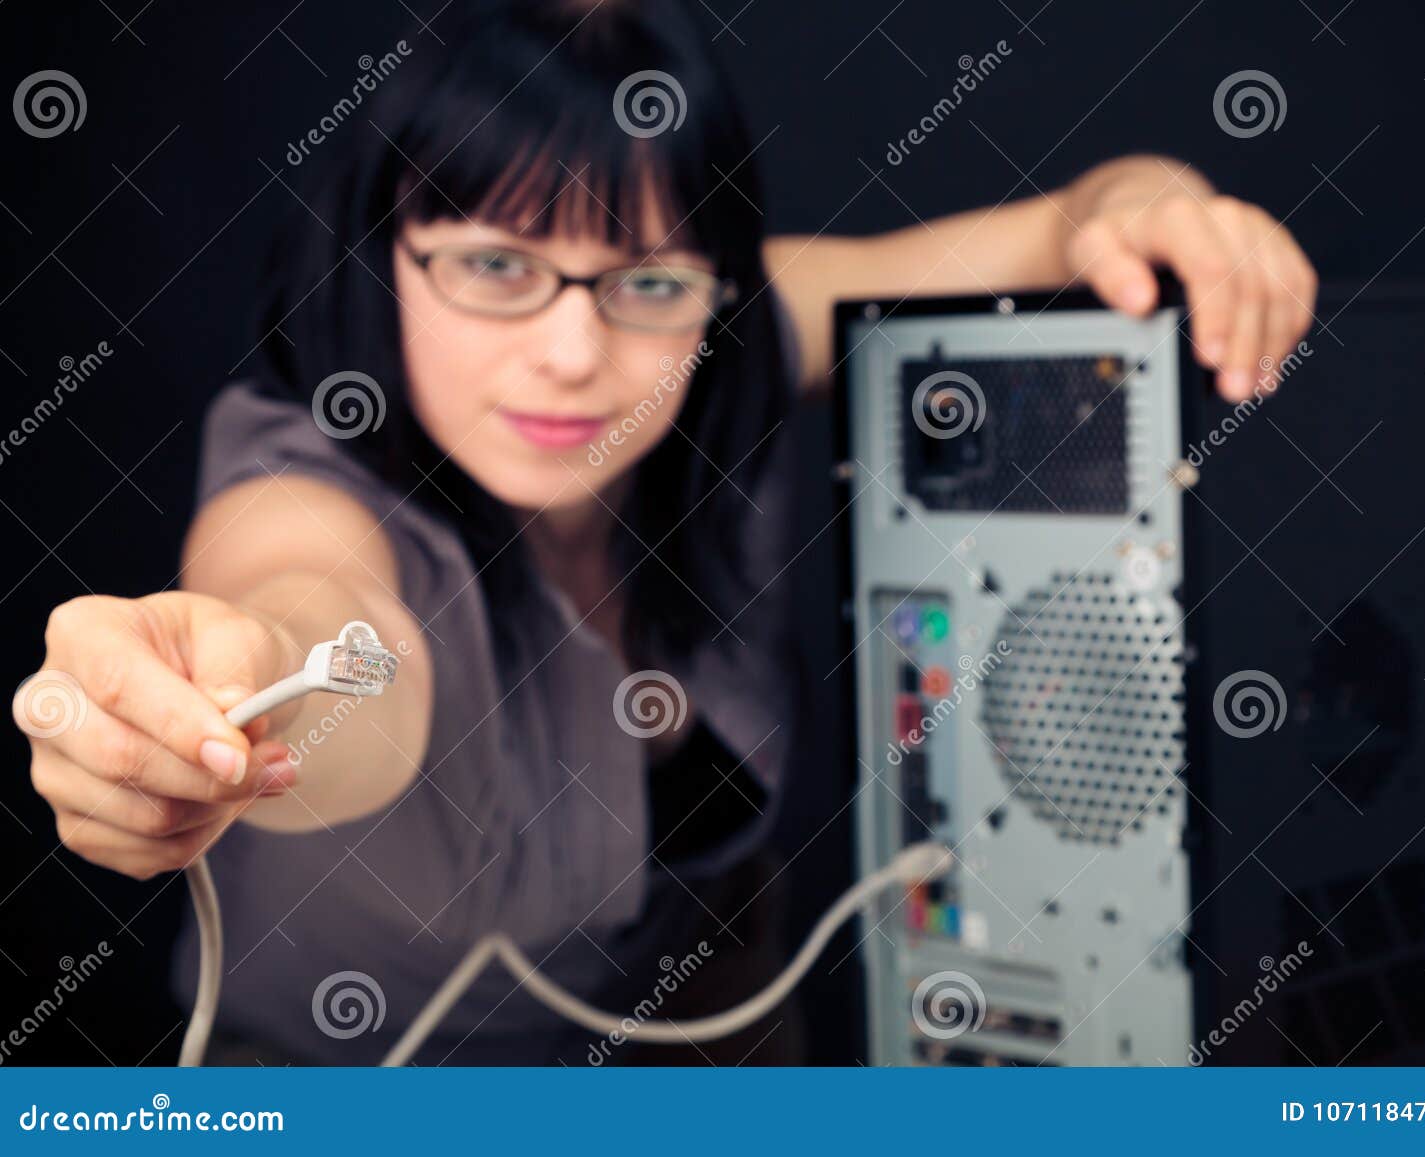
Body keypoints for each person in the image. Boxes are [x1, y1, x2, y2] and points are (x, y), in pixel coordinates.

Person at [13, 0, 1315, 1064]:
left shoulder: (710, 350)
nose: (576, 352)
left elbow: (1069, 226)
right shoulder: (300, 473)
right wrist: (228, 700)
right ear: (380, 253)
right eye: (493, 265)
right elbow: (308, 610)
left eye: (644, 281)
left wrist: (1156, 199)